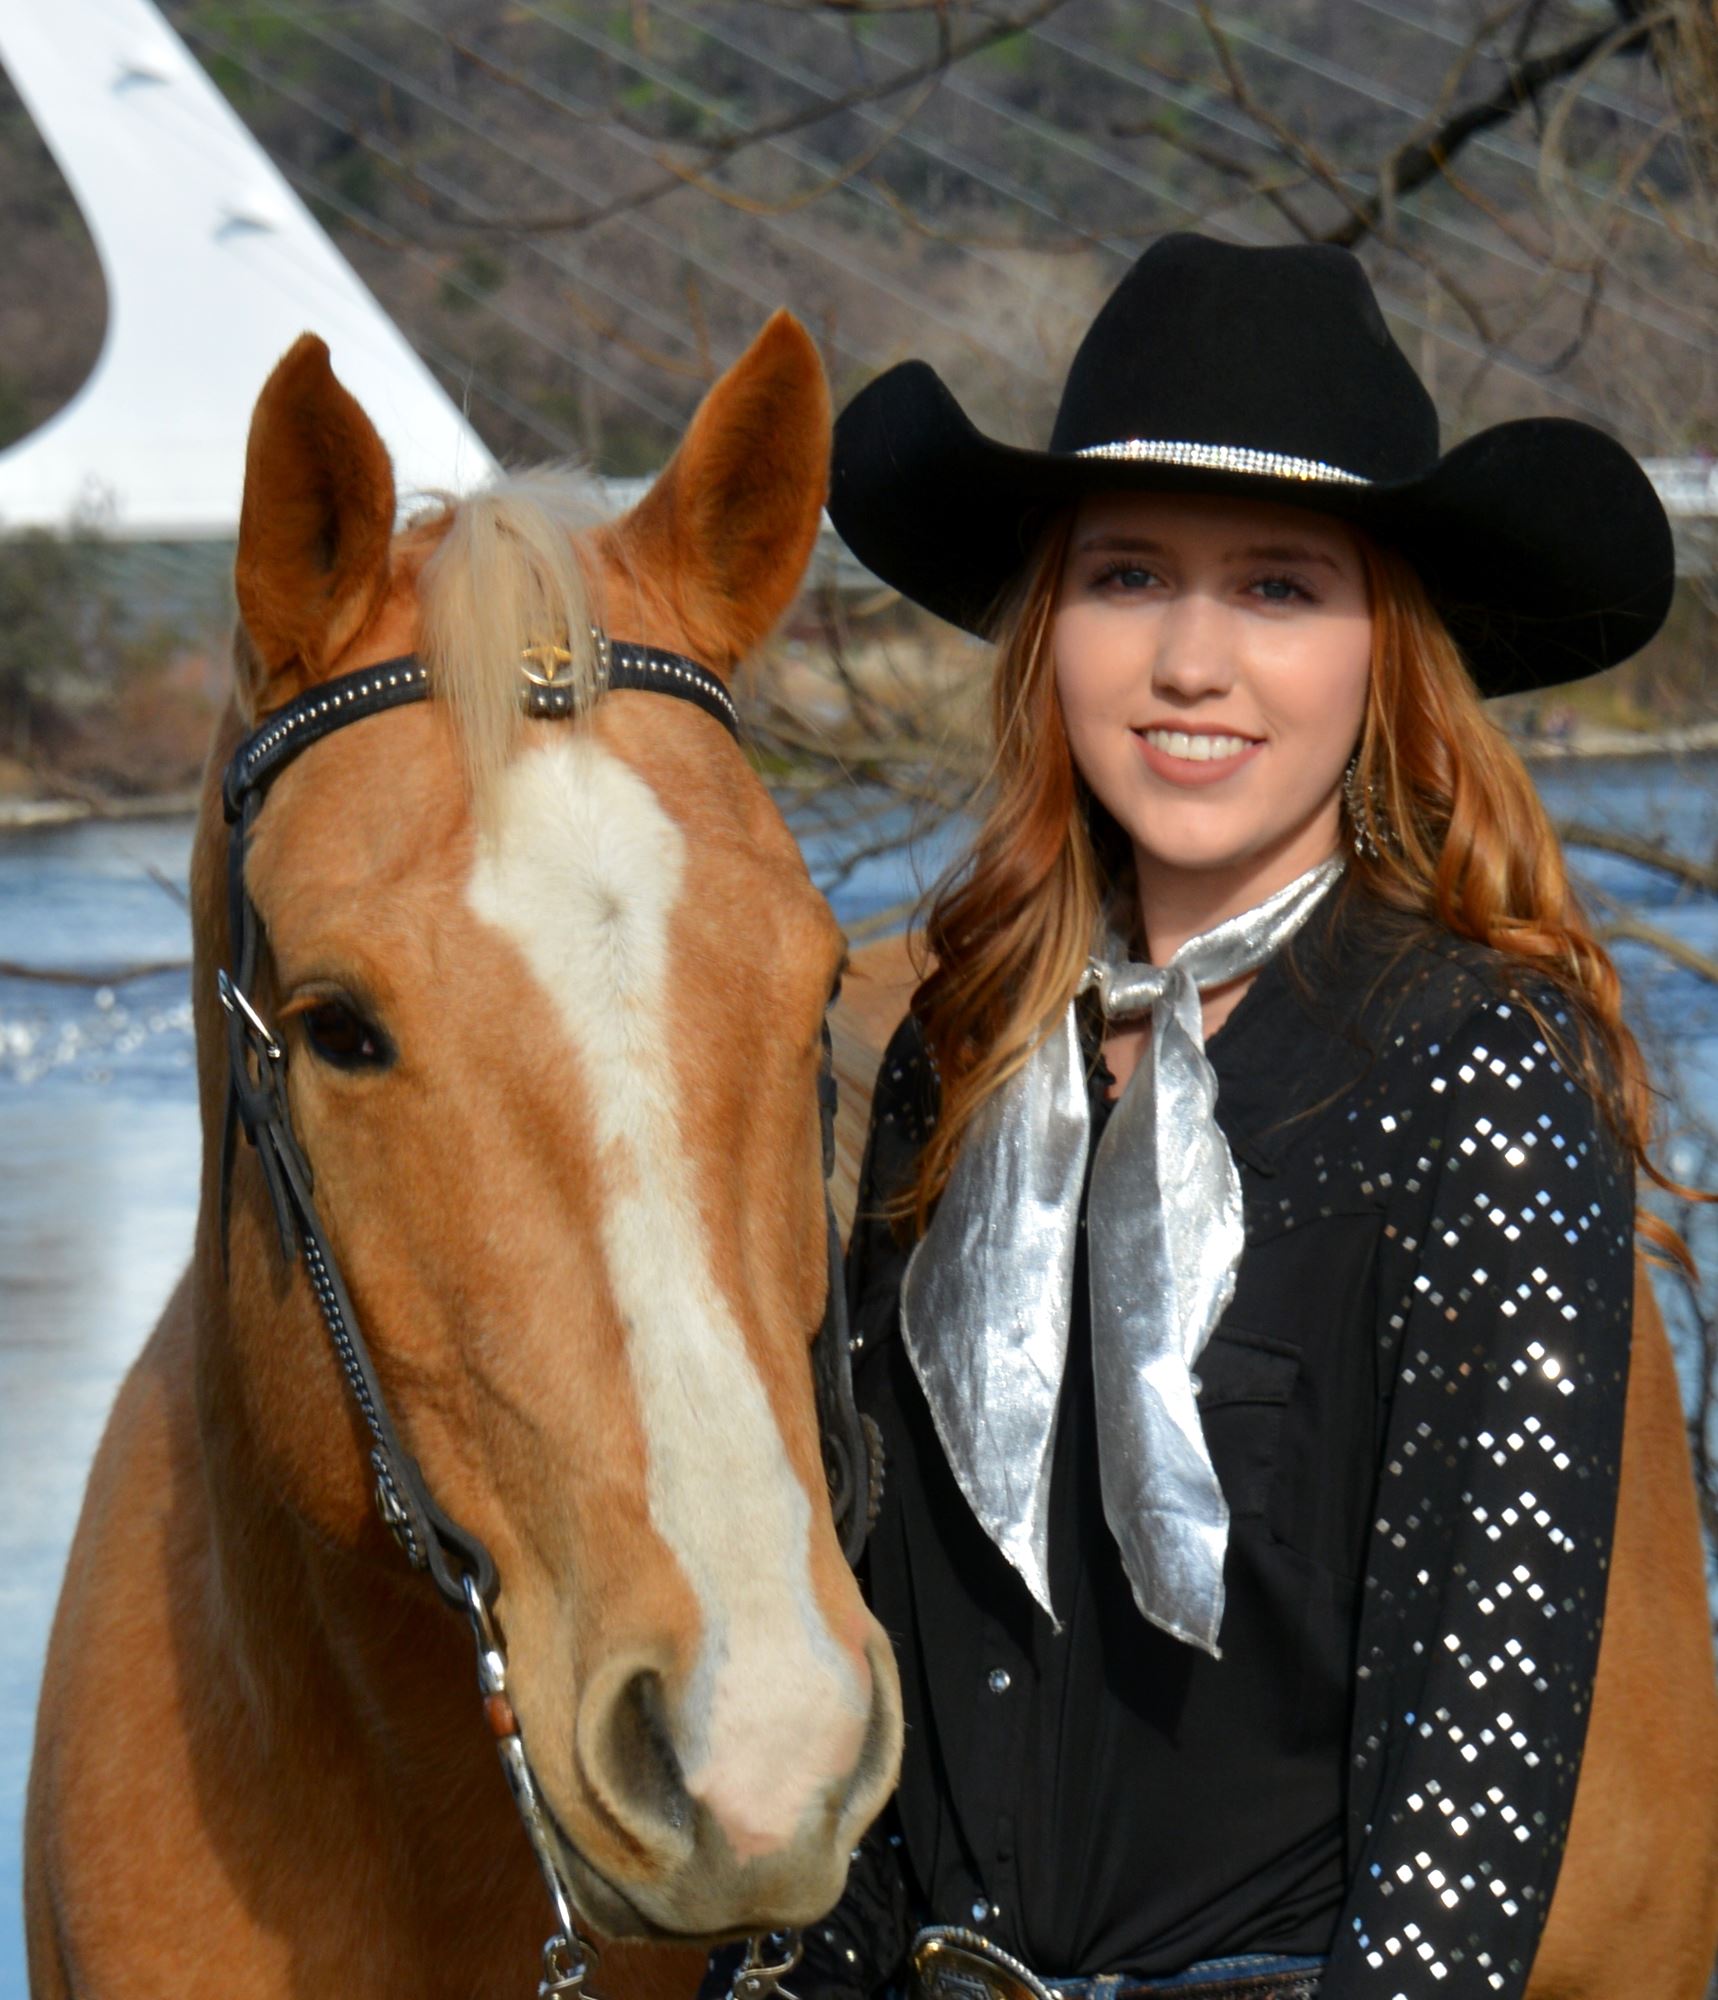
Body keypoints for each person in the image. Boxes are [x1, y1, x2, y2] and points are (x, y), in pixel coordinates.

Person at [808, 234, 1685, 2000]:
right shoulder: (954, 1059)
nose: (1190, 660)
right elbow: (868, 1674)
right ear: (1052, 624)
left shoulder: (1481, 1077)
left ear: (1385, 654)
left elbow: (1476, 1780)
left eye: (1277, 589)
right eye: (1128, 575)